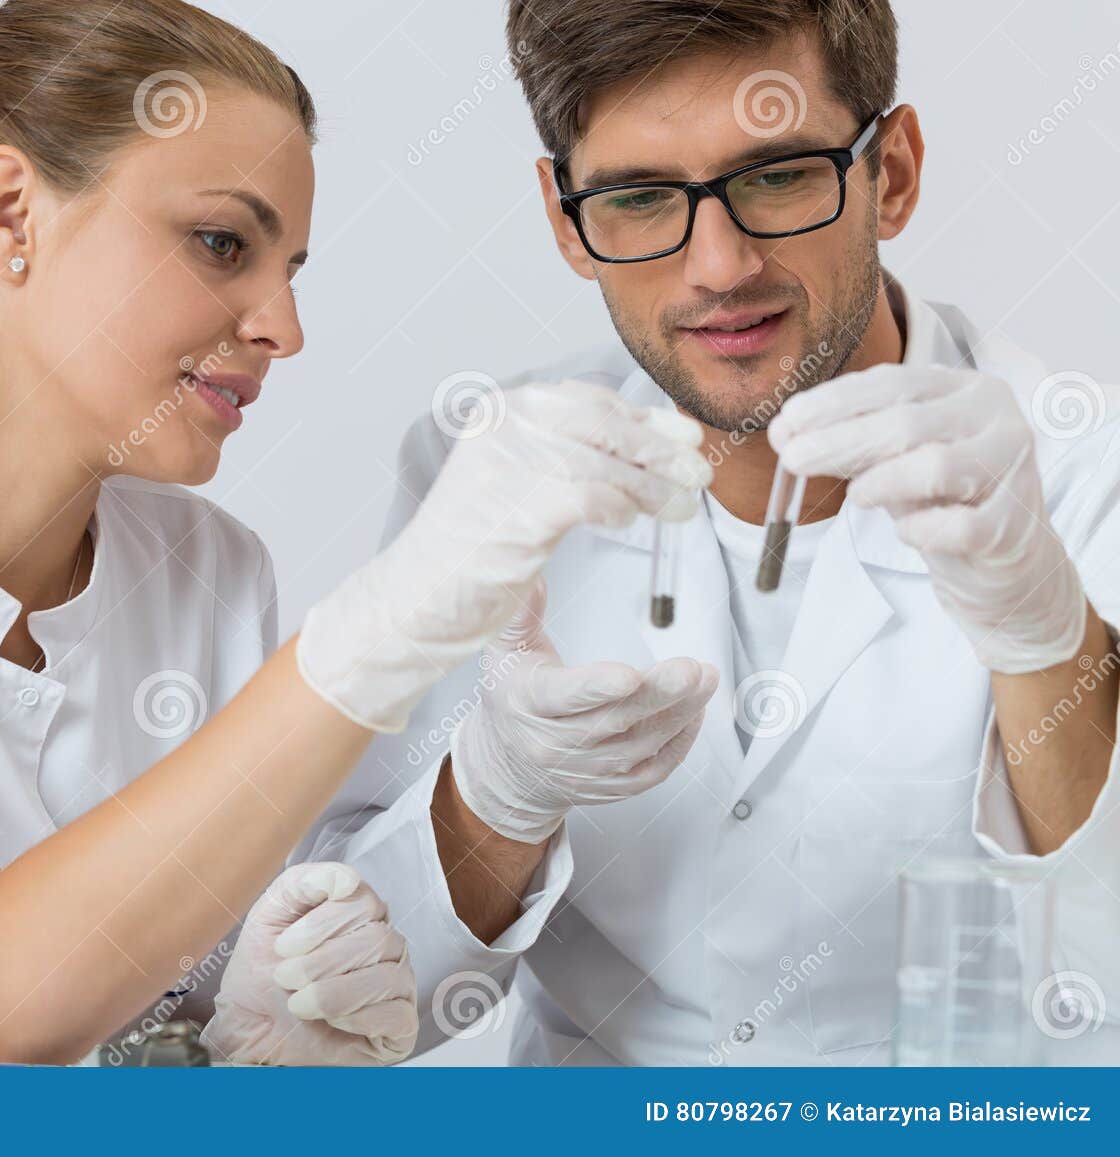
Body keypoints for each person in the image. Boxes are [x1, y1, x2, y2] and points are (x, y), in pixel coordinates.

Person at [0, 0, 710, 1065]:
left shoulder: (206, 573)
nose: (285, 326)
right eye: (221, 243)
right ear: (9, 213)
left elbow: (296, 977)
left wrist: (497, 793)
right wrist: (377, 629)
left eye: (292, 267)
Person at [305, 0, 1120, 1065]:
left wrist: (1044, 638)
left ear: (896, 170)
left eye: (777, 175)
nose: (719, 267)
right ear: (564, 218)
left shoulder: (1078, 466)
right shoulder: (490, 468)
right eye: (640, 198)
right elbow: (357, 1012)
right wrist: (495, 793)